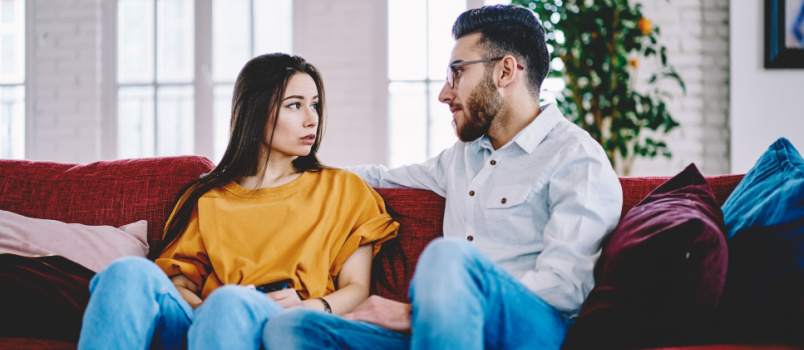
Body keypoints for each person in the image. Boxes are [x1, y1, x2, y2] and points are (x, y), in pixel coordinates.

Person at [262, 4, 623, 350]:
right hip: (441, 329)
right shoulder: (463, 157)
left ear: (505, 71)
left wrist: (418, 312)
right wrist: (278, 173)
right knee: (292, 327)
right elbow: (378, 178)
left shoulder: (576, 157)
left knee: (448, 257)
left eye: (458, 72)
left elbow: (565, 288)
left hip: (535, 331)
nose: (444, 94)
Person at [77, 53, 399, 349]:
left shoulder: (344, 189)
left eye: (314, 105)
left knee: (228, 301)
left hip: (284, 322)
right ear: (256, 112)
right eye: (294, 105)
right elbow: (179, 283)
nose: (311, 119)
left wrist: (307, 308)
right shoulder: (210, 197)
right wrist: (209, 311)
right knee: (126, 272)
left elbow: (357, 288)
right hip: (207, 321)